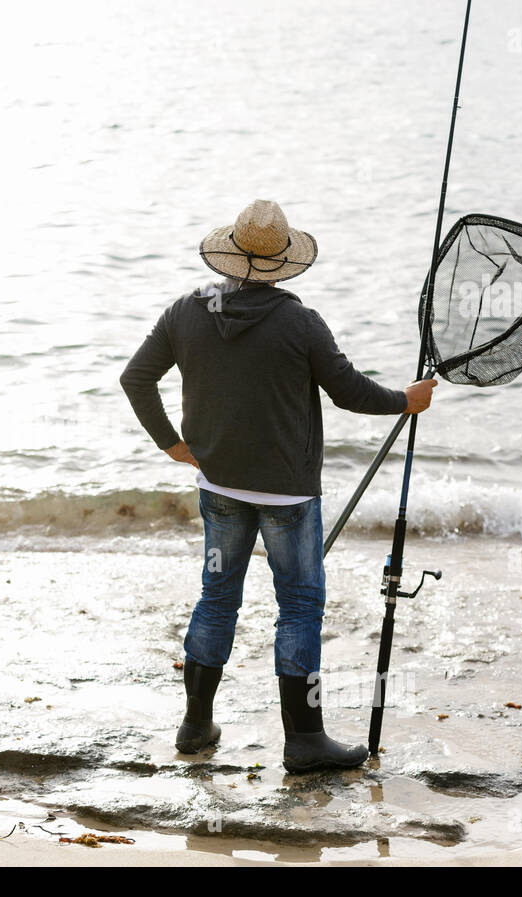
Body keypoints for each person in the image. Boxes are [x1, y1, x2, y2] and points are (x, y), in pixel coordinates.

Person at [119, 199, 436, 772]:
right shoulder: (299, 321)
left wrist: (173, 445)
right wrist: (405, 402)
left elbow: (135, 378)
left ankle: (195, 727)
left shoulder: (188, 310)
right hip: (288, 498)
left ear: (228, 255)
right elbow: (350, 392)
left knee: (217, 598)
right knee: (299, 606)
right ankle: (304, 740)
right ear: (282, 261)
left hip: (218, 488)